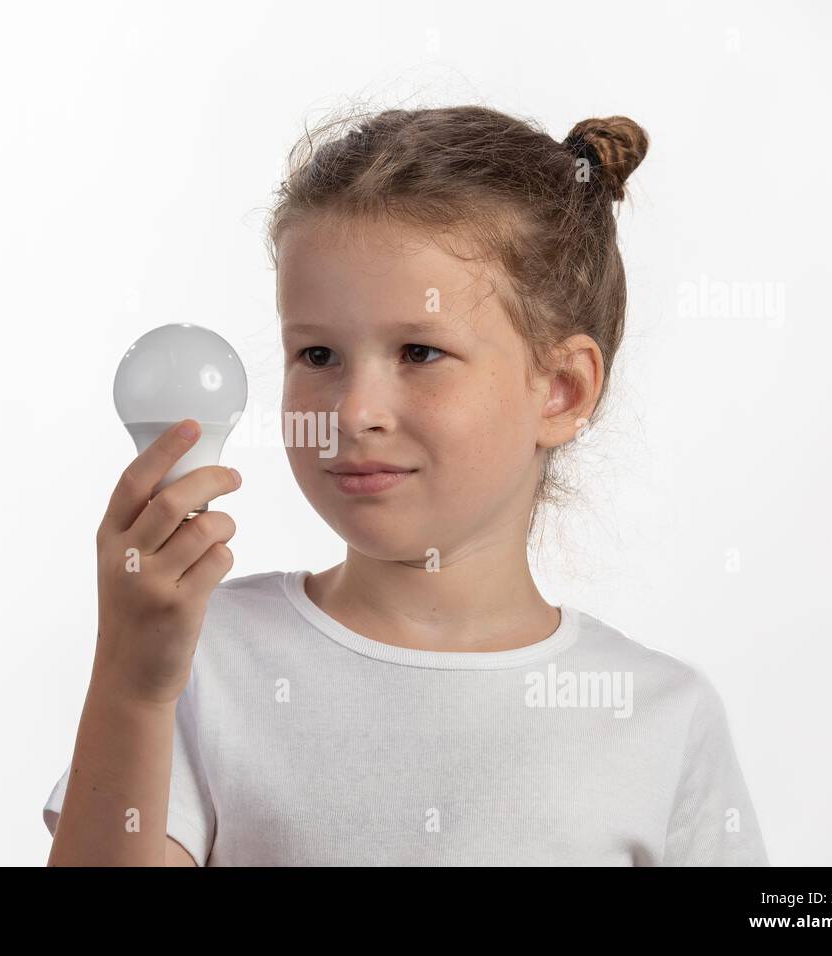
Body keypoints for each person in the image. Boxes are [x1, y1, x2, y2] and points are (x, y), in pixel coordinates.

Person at [43, 104, 769, 866]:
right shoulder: (200, 661)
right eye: (318, 355)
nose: (355, 413)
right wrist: (132, 681)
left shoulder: (659, 717)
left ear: (560, 389)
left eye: (419, 352)